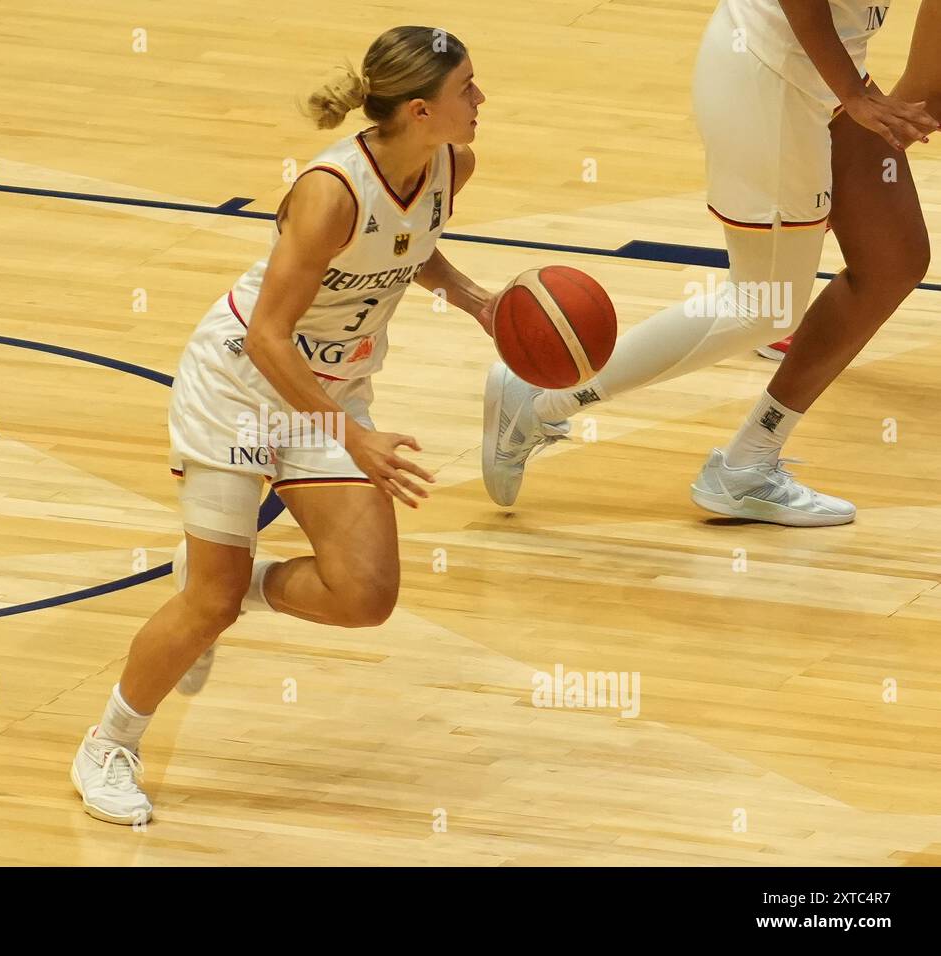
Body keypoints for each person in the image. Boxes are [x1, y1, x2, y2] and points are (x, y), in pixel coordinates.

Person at [72, 25, 491, 825]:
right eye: (466, 87)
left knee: (364, 596)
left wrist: (475, 300)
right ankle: (109, 745)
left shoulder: (450, 164)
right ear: (419, 108)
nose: (480, 99)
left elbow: (410, 244)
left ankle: (219, 582)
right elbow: (268, 335)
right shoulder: (329, 190)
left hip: (328, 387)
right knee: (209, 607)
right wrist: (355, 435)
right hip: (238, 384)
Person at [483, 0, 937, 526]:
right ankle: (541, 399)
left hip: (826, 82)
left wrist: (870, 146)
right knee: (762, 307)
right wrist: (855, 99)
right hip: (773, 78)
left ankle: (748, 462)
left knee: (892, 260)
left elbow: (931, 84)